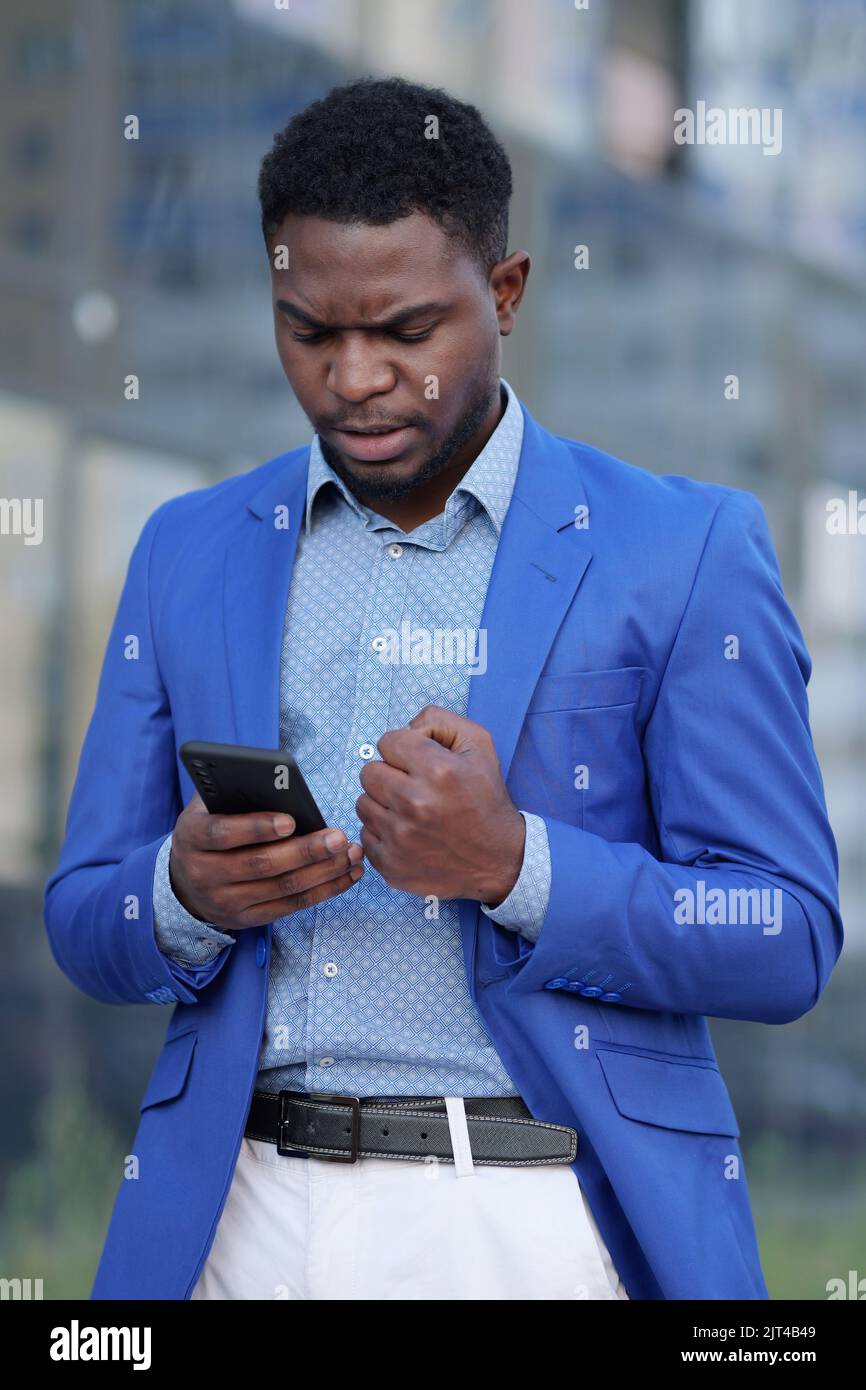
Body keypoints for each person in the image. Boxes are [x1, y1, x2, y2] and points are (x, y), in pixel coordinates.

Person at [45, 76, 842, 1301]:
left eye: (406, 333)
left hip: (536, 1218)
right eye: (309, 331)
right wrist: (180, 892)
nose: (354, 378)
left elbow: (782, 933)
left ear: (506, 294)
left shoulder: (682, 552)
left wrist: (515, 864)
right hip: (237, 1214)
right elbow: (84, 915)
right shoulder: (186, 550)